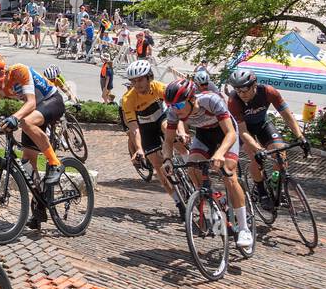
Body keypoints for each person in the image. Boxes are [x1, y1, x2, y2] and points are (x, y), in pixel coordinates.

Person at [0, 53, 68, 230]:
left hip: (51, 101)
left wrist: (14, 118)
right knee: (28, 163)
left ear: (0, 74)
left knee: (25, 121)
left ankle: (55, 163)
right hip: (34, 112)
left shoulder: (18, 71)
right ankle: (40, 206)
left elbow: (31, 103)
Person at [163, 78, 252, 249]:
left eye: (179, 105)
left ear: (191, 99)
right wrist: (167, 159)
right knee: (193, 167)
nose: (176, 110)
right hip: (204, 136)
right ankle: (212, 201)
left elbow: (231, 134)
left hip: (226, 134)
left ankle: (244, 228)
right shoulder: (174, 112)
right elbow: (168, 141)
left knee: (229, 173)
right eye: (172, 106)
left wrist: (219, 153)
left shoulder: (211, 101)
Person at [227, 70, 307, 204]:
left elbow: (287, 115)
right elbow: (243, 131)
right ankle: (261, 191)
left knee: (280, 152)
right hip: (244, 131)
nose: (242, 94)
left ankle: (275, 184)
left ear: (254, 85)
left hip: (263, 124)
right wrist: (259, 149)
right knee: (256, 157)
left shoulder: (268, 92)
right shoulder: (234, 101)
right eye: (238, 90)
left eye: (245, 90)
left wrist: (300, 137)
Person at [121, 60, 183, 219]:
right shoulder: (128, 99)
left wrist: (181, 132)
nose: (137, 84)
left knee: (168, 129)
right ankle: (178, 201)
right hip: (145, 127)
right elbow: (134, 129)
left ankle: (189, 161)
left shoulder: (159, 87)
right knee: (157, 165)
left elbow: (178, 110)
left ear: (149, 77)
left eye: (140, 79)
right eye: (133, 81)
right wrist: (140, 149)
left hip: (162, 117)